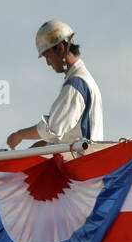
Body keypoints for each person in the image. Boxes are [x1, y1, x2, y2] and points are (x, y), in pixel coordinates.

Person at [6, 20, 104, 149]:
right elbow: (68, 131)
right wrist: (43, 144)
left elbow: (52, 129)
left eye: (47, 56)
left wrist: (19, 135)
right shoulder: (83, 79)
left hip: (80, 163)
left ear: (60, 48)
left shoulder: (75, 84)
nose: (48, 63)